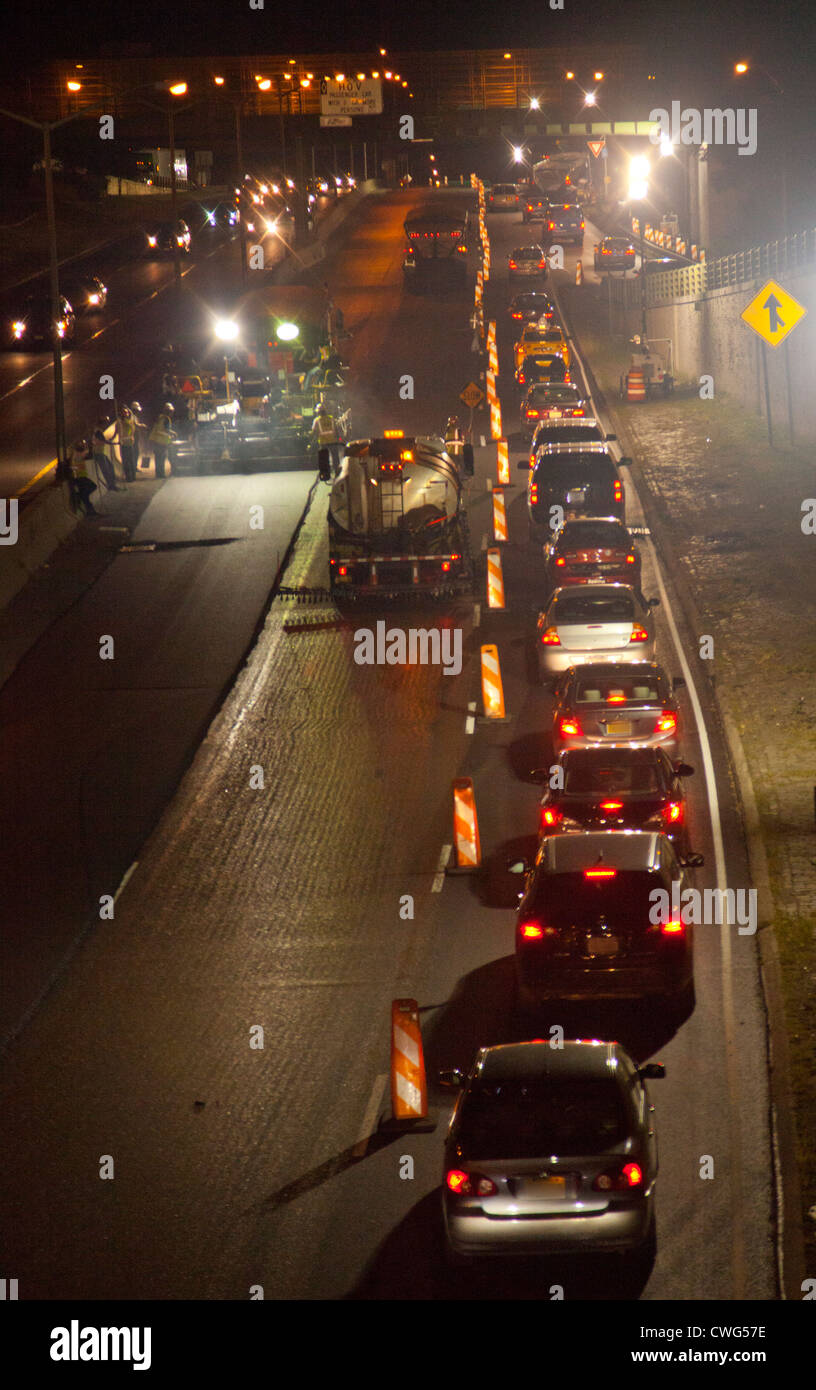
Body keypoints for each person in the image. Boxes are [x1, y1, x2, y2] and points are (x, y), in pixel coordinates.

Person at [311, 401, 344, 477]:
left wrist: (313, 439)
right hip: (333, 441)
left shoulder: (317, 420)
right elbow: (336, 430)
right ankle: (337, 472)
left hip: (323, 442)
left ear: (318, 412)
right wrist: (339, 438)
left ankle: (326, 474)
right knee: (335, 458)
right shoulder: (331, 418)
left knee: (324, 459)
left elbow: (314, 431)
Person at [70, 439, 98, 516]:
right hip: (80, 478)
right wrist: (75, 477)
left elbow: (86, 453)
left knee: (90, 490)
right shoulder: (76, 455)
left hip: (82, 476)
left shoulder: (79, 454)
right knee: (91, 487)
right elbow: (73, 466)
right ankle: (81, 497)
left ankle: (82, 497)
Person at [149, 403, 176, 479]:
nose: (172, 413)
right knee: (161, 458)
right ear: (169, 411)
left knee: (158, 458)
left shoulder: (160, 418)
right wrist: (170, 435)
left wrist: (171, 433)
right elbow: (161, 430)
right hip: (161, 442)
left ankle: (158, 474)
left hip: (157, 441)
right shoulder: (165, 419)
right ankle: (161, 474)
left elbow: (164, 429)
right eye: (171, 412)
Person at [116, 404, 138, 482]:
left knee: (130, 461)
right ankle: (129, 477)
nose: (126, 414)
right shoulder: (120, 421)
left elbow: (130, 430)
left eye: (126, 412)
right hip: (124, 443)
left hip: (129, 443)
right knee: (126, 462)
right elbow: (117, 432)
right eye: (124, 412)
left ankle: (132, 477)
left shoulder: (128, 421)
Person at [92, 426, 117, 491]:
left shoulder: (98, 436)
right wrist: (112, 442)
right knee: (106, 470)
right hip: (98, 455)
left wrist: (113, 442)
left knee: (110, 467)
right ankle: (111, 485)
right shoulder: (97, 436)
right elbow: (103, 441)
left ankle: (112, 483)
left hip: (101, 454)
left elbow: (104, 441)